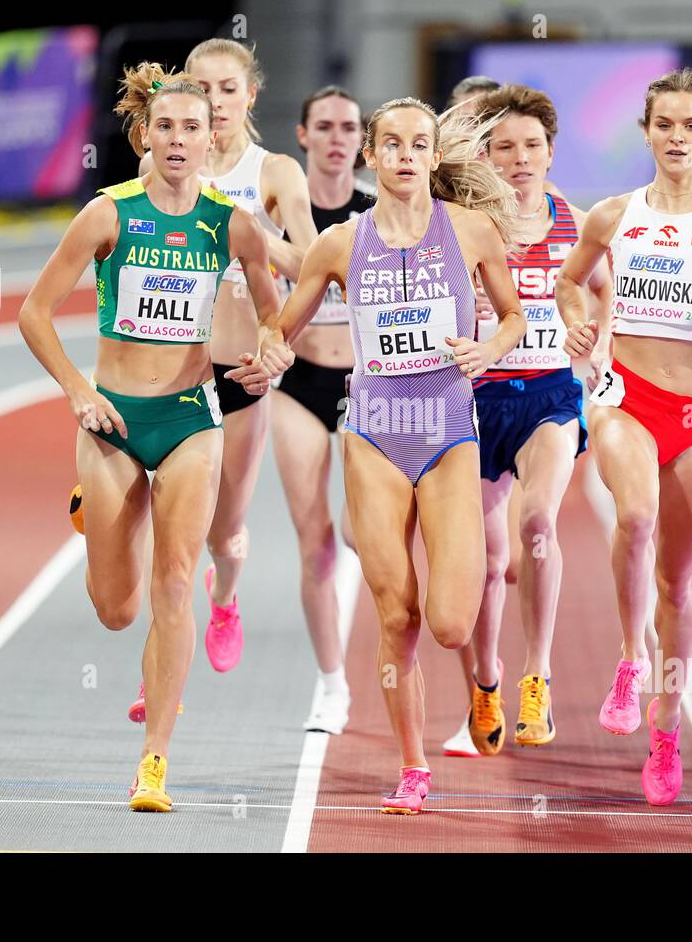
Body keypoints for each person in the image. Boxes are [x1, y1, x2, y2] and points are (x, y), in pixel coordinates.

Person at [235, 97, 526, 814]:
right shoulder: (341, 245)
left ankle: (482, 683)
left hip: (449, 431)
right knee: (397, 617)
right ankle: (413, 763)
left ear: (432, 156)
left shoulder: (471, 231)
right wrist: (270, 352)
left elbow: (515, 315)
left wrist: (489, 347)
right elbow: (286, 321)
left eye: (417, 144)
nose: (403, 155)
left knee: (452, 621)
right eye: (390, 143)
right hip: (373, 434)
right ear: (372, 155)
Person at [19, 64, 281, 811]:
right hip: (113, 422)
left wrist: (270, 354)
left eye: (191, 127)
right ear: (145, 134)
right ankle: (94, 513)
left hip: (193, 420)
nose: (177, 139)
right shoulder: (108, 213)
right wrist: (78, 389)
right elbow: (35, 313)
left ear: (212, 137)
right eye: (164, 126)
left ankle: (154, 762)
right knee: (116, 608)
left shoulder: (231, 223)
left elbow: (271, 312)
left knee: (174, 582)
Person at [556, 67, 692, 806]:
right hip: (627, 396)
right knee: (637, 515)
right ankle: (629, 660)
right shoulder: (612, 215)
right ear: (645, 132)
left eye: (691, 126)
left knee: (679, 582)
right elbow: (568, 280)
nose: (677, 138)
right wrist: (576, 324)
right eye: (664, 125)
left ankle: (668, 728)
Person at [122, 39, 319, 726]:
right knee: (170, 539)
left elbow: (311, 266)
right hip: (171, 377)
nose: (215, 103)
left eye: (228, 90)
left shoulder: (276, 174)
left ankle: (227, 595)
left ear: (249, 95)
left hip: (240, 378)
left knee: (222, 533)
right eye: (201, 91)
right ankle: (161, 670)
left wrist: (252, 236)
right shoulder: (162, 163)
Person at [448, 83, 612, 757]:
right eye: (505, 147)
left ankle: (535, 673)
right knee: (487, 562)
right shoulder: (463, 221)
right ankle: (484, 683)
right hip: (477, 401)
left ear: (550, 152)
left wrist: (595, 349)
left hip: (548, 394)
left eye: (532, 146)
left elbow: (602, 293)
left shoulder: (572, 218)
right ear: (486, 154)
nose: (520, 159)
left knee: (538, 526)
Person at [272, 85, 376, 733]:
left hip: (367, 386)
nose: (338, 138)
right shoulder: (278, 212)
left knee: (360, 535)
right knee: (316, 547)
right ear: (303, 135)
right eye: (326, 127)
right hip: (301, 382)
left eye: (349, 128)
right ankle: (332, 685)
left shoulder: (378, 214)